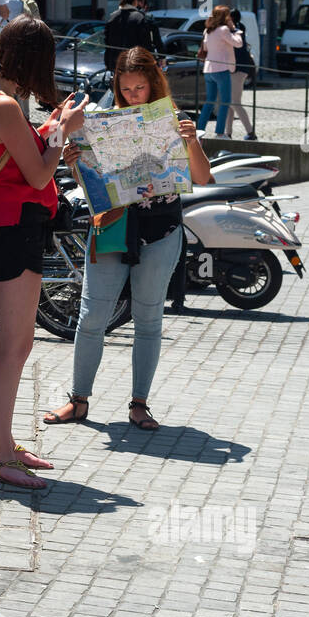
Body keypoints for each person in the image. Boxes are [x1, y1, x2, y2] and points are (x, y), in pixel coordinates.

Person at [43, 47, 213, 431]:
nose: (134, 94)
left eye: (140, 87)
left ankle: (139, 404)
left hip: (161, 231)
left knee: (149, 318)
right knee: (91, 318)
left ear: (154, 83)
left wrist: (192, 141)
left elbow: (201, 179)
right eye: (127, 88)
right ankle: (78, 400)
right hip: (113, 226)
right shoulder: (102, 123)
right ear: (117, 87)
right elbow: (93, 189)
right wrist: (75, 162)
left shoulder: (174, 120)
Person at [0, 14, 88, 488]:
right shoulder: (5, 106)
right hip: (13, 227)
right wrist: (61, 133)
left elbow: (13, 158)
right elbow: (38, 176)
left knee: (12, 344)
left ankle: (4, 445)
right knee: (14, 345)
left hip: (0, 225)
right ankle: (1, 456)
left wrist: (50, 138)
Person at [196, 5, 242, 138]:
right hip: (221, 69)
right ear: (225, 17)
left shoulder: (208, 30)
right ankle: (220, 133)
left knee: (209, 101)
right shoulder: (224, 29)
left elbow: (205, 47)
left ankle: (199, 130)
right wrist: (235, 30)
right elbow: (238, 43)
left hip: (208, 69)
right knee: (225, 101)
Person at [103, 0, 162, 74]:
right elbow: (146, 44)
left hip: (115, 65)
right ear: (135, 1)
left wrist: (108, 65)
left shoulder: (112, 17)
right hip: (136, 65)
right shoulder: (140, 18)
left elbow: (107, 43)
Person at [227, 9, 257, 139]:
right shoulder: (240, 28)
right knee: (228, 103)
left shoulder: (233, 31)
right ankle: (227, 133)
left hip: (238, 69)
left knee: (235, 102)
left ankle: (251, 133)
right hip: (240, 68)